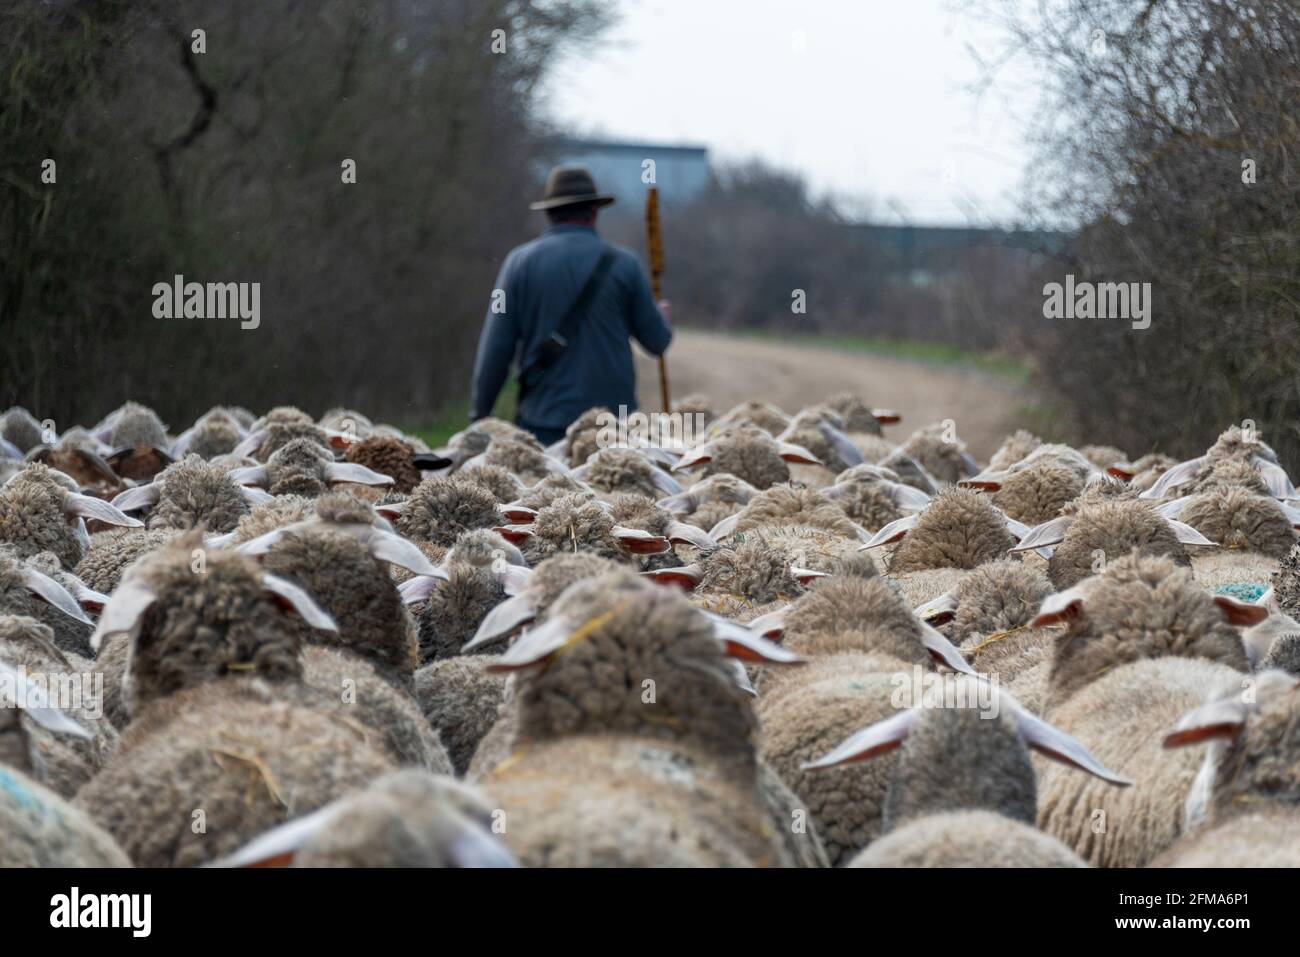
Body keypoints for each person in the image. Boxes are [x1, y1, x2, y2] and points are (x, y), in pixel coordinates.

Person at [469, 166, 672, 445]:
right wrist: (662, 319)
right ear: (595, 211)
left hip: (542, 425)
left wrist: (480, 415)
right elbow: (657, 342)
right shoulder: (626, 265)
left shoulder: (517, 264)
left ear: (549, 213)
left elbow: (495, 350)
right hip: (612, 429)